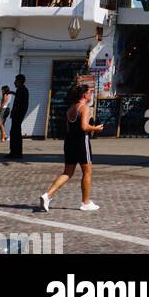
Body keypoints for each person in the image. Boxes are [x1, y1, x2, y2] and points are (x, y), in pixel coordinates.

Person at [39, 83, 103, 212]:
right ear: (84, 95)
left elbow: (68, 128)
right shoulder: (84, 108)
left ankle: (48, 195)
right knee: (87, 172)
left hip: (69, 142)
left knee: (67, 172)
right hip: (81, 142)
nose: (91, 95)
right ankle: (85, 202)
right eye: (90, 92)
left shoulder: (71, 108)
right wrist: (96, 128)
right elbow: (84, 127)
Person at [7, 73, 29, 160]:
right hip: (17, 115)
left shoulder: (22, 90)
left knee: (15, 134)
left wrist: (17, 114)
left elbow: (21, 104)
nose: (14, 82)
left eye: (16, 81)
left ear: (19, 81)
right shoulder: (21, 90)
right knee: (15, 133)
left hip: (18, 116)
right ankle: (16, 152)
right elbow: (19, 100)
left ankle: (15, 153)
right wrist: (12, 92)